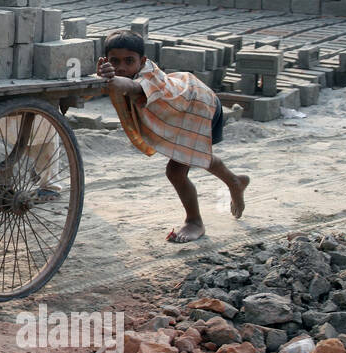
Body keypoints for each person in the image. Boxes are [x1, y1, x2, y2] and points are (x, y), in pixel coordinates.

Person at [97, 30, 249, 243]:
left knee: (176, 171)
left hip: (198, 106)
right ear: (106, 61)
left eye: (129, 61)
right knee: (197, 156)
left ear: (142, 61)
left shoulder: (149, 75)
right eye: (115, 61)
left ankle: (195, 221)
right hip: (182, 108)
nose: (122, 67)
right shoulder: (113, 74)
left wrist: (112, 80)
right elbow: (100, 86)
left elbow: (130, 87)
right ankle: (234, 181)